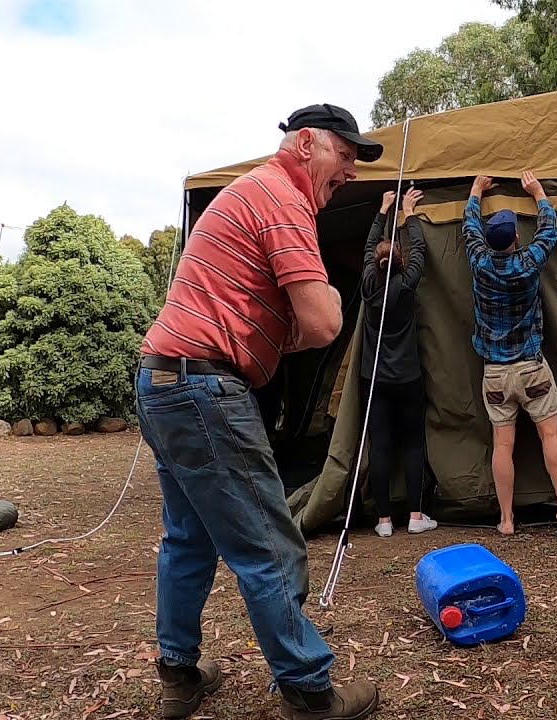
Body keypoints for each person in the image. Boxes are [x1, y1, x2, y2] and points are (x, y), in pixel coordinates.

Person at [135, 103, 382, 720]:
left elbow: (285, 329)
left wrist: (289, 321)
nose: (350, 171)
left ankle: (179, 674)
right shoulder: (282, 199)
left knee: (188, 539)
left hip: (162, 379)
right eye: (344, 155)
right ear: (305, 144)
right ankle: (308, 691)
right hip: (204, 392)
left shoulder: (250, 194)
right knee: (270, 544)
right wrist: (324, 296)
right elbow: (323, 322)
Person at [462, 172, 557, 535]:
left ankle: (506, 519)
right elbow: (549, 231)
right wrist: (538, 193)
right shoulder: (529, 263)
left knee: (503, 443)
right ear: (516, 238)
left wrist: (476, 191)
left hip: (495, 372)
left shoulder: (479, 262)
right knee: (550, 436)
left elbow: (469, 227)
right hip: (531, 367)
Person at [359, 185, 438, 538]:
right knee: (412, 442)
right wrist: (407, 213)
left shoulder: (366, 285)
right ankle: (416, 515)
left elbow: (366, 250)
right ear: (401, 265)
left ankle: (384, 521)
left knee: (381, 444)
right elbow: (419, 249)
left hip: (374, 378)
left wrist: (382, 210)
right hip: (408, 377)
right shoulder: (406, 286)